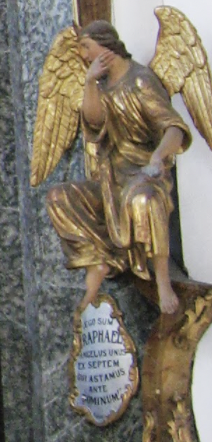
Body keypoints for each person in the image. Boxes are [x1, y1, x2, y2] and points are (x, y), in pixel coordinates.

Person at [46, 20, 190, 316]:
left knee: (143, 202)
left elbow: (173, 128)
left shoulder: (140, 80)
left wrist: (158, 157)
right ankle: (100, 259)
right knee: (60, 198)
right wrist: (88, 82)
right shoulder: (101, 86)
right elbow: (95, 121)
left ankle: (163, 281)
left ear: (105, 44)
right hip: (111, 180)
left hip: (142, 175)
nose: (84, 55)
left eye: (86, 47)